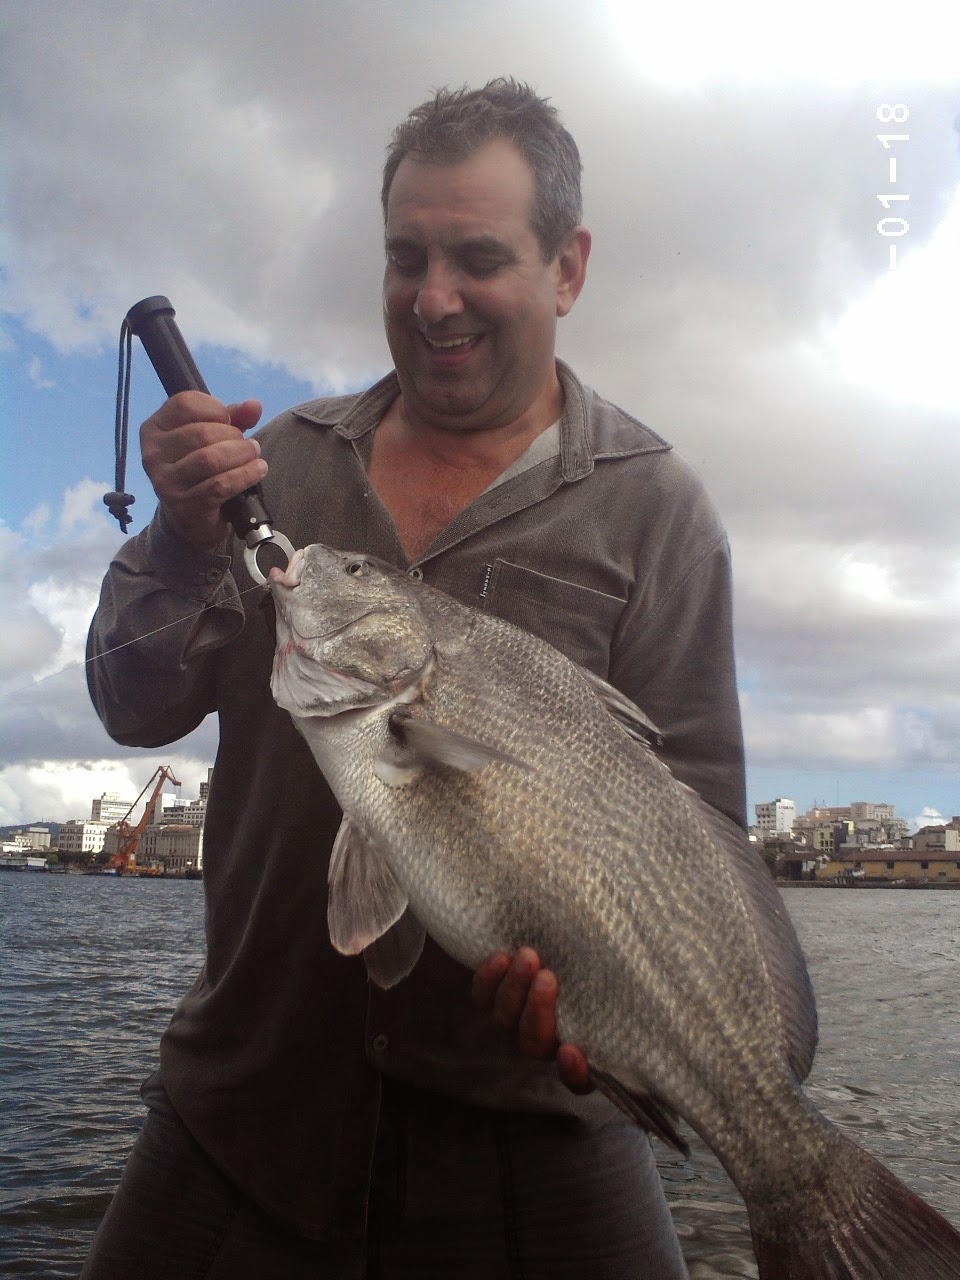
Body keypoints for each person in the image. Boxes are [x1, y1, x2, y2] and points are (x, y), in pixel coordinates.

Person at [84, 79, 745, 1278]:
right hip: (247, 1108)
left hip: (539, 1148)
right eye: (405, 258)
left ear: (569, 266)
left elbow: (704, 827)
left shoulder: (659, 512)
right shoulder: (271, 468)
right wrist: (179, 542)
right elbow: (131, 705)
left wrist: (609, 998)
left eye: (477, 258)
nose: (433, 298)